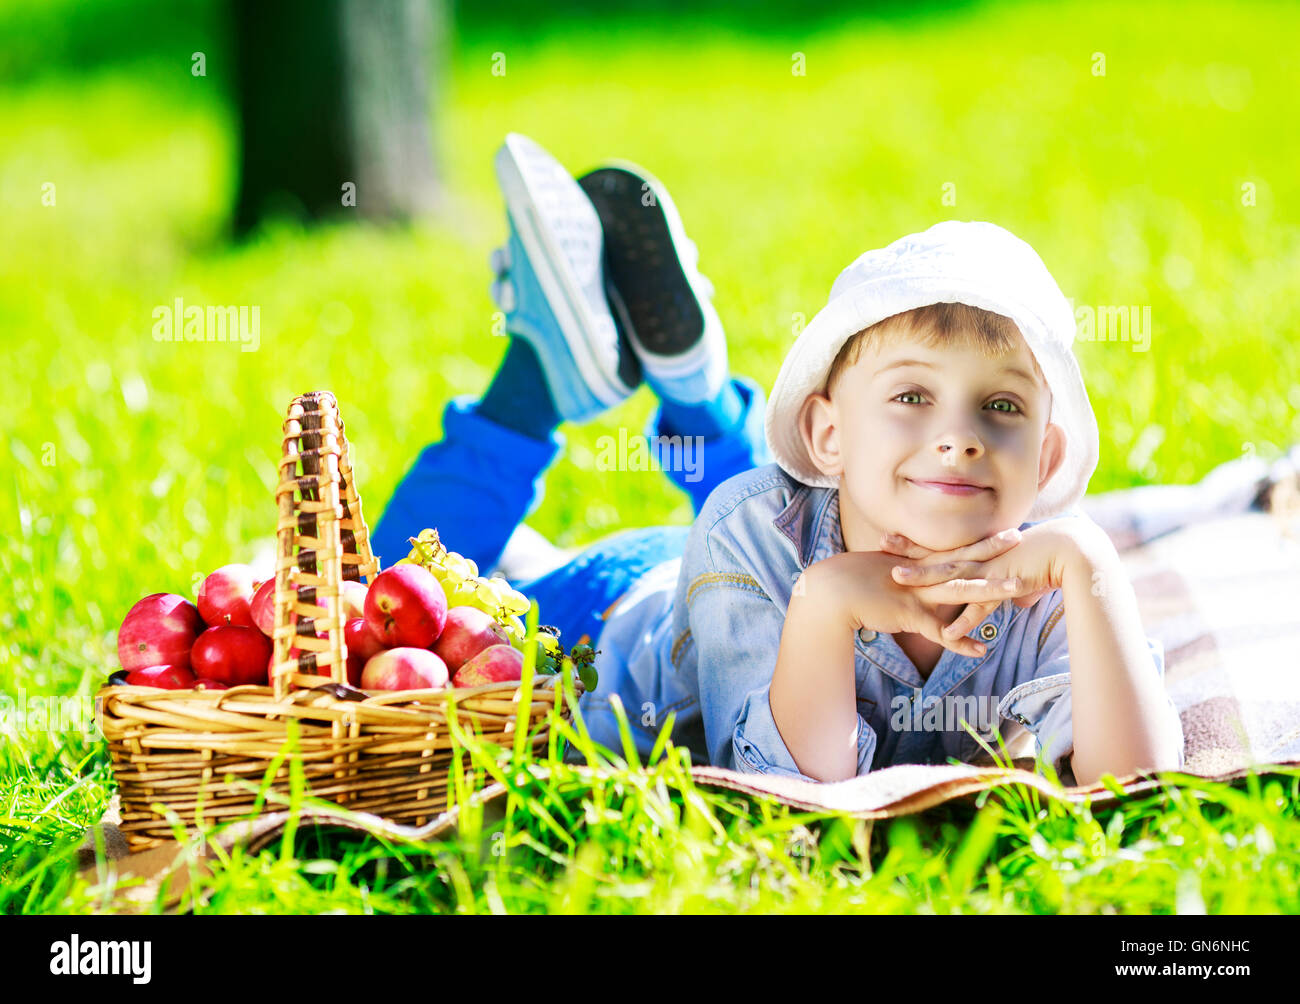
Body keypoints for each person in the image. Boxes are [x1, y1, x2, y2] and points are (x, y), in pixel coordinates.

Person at [373, 133, 1291, 788]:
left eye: (1003, 406)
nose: (960, 436)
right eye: (913, 396)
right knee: (393, 583)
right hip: (611, 611)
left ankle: (696, 394)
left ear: (1046, 456)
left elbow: (1132, 783)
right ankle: (541, 380)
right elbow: (784, 790)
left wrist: (1092, 566)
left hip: (752, 542)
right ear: (824, 430)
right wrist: (824, 602)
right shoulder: (750, 530)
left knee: (794, 499)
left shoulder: (1046, 576)